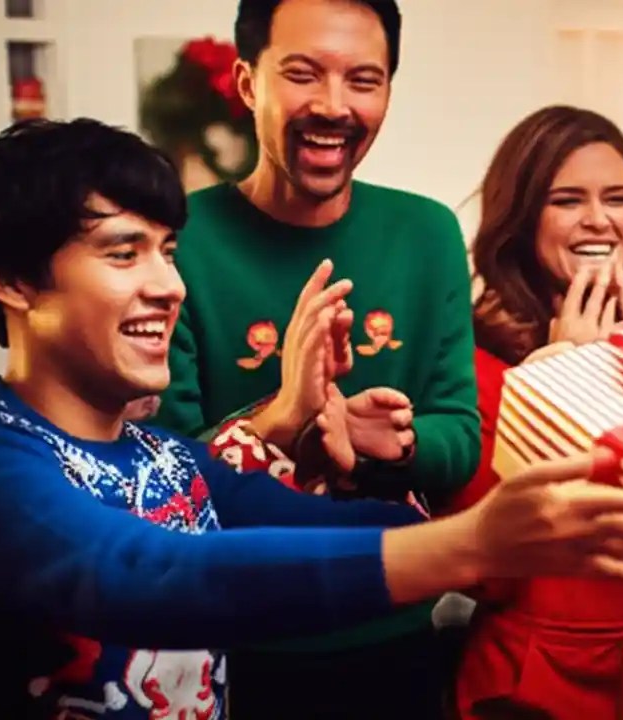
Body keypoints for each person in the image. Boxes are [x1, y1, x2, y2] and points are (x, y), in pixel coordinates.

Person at [0, 117, 623, 719]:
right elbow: (142, 572)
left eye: (169, 251)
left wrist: (519, 535)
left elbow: (329, 532)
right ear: (9, 278)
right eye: (124, 253)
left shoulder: (165, 458)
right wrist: (471, 544)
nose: (169, 285)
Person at [151, 0, 481, 714]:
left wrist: (392, 441)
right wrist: (282, 415)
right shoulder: (180, 240)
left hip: (397, 627)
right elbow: (163, 470)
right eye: (303, 75)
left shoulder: (427, 233)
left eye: (364, 80)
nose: (334, 106)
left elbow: (459, 433)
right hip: (238, 642)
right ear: (247, 83)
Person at [446, 105, 623, 719]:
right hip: (535, 679)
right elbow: (484, 566)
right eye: (566, 200)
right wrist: (566, 381)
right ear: (522, 217)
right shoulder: (473, 363)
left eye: (617, 198)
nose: (599, 220)